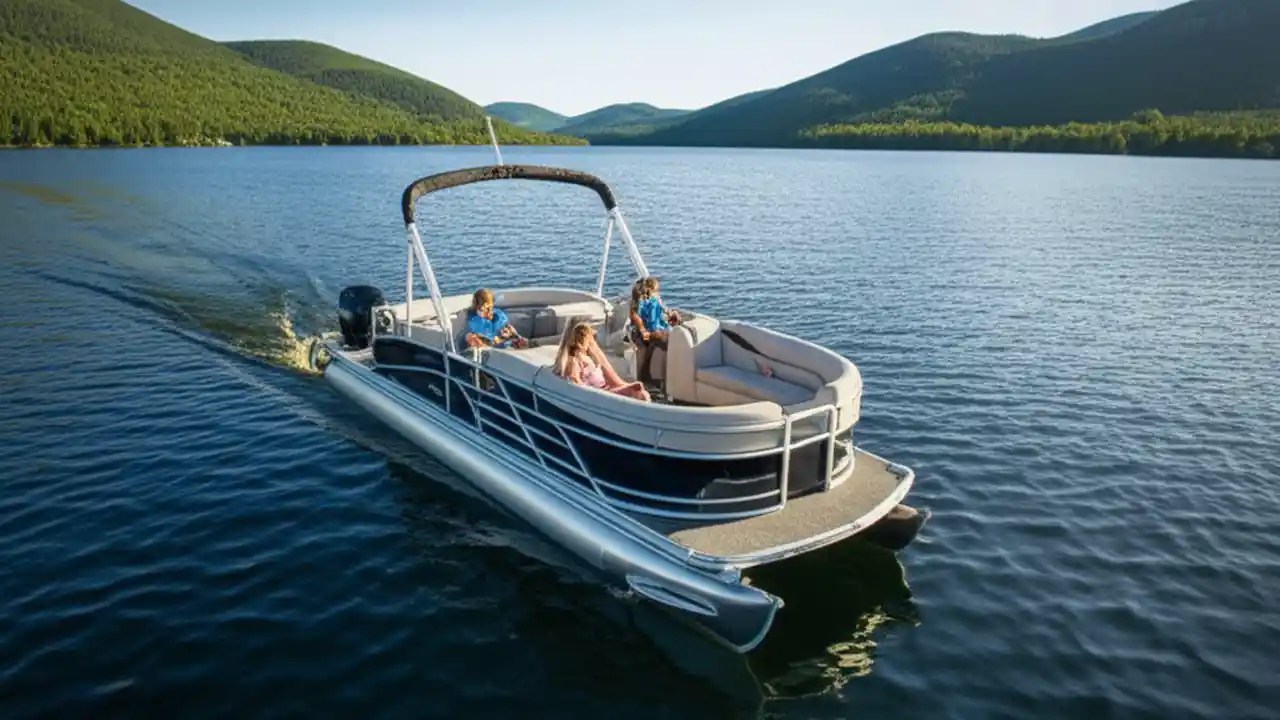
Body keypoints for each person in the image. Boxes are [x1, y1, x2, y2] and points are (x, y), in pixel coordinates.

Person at [554, 320, 651, 402]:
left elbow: (612, 379)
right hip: (598, 395)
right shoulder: (575, 361)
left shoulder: (589, 357)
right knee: (634, 392)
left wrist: (626, 386)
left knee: (641, 392)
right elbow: (576, 381)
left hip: (606, 390)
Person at [629, 276, 680, 385]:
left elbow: (665, 311)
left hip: (658, 329)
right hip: (644, 332)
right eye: (656, 290)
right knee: (664, 341)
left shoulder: (656, 299)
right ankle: (647, 379)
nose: (658, 292)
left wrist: (672, 314)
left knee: (672, 337)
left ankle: (657, 379)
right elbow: (634, 316)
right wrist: (643, 330)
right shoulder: (639, 301)